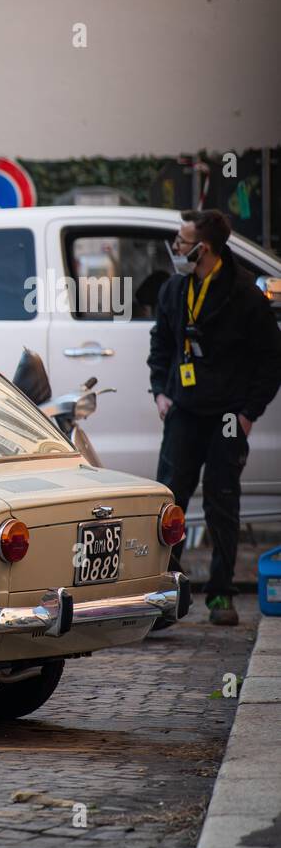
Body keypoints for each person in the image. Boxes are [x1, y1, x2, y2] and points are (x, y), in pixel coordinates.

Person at [148, 208, 281, 626]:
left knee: (223, 501)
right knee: (169, 501)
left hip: (227, 414)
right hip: (184, 410)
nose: (175, 248)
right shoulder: (174, 288)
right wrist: (160, 391)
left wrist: (247, 414)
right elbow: (162, 342)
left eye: (182, 242)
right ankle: (166, 595)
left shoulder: (244, 293)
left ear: (203, 249)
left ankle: (220, 594)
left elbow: (271, 360)